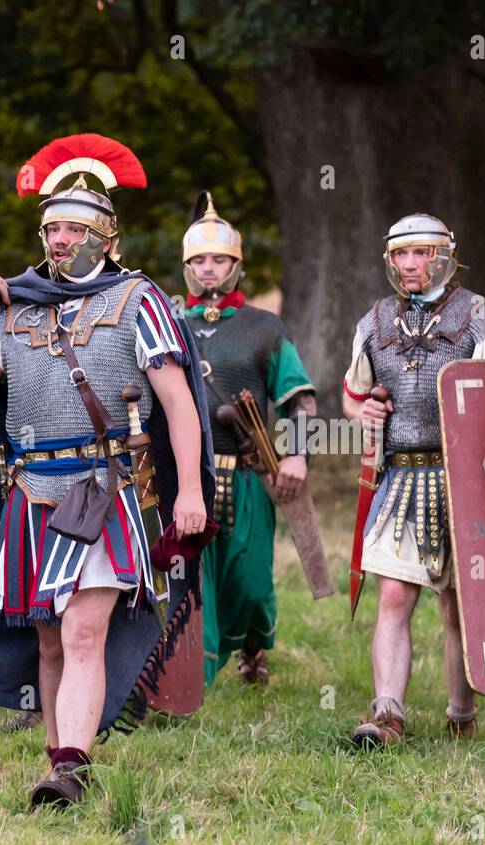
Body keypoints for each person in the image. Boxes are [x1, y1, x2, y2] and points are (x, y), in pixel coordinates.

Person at [0, 134, 214, 808]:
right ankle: (58, 760)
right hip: (30, 495)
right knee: (48, 643)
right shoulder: (16, 307)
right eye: (52, 227)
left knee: (84, 629)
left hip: (104, 490)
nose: (61, 238)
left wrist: (190, 490)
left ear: (106, 236)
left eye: (75, 227)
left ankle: (72, 765)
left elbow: (180, 402)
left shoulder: (138, 300)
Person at [343, 213, 485, 746]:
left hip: (465, 481)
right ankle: (387, 715)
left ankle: (461, 712)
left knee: (458, 606)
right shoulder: (374, 321)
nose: (409, 264)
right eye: (400, 254)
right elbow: (354, 394)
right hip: (404, 477)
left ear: (443, 255)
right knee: (394, 596)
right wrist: (362, 413)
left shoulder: (479, 318)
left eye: (420, 253)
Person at [180, 192, 317, 686]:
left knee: (254, 583)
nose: (209, 269)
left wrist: (297, 455)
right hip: (191, 475)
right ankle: (198, 673)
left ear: (235, 264)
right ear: (187, 267)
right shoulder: (169, 326)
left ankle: (254, 646)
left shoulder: (265, 328)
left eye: (219, 259)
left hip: (249, 475)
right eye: (199, 260)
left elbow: (300, 400)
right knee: (198, 581)